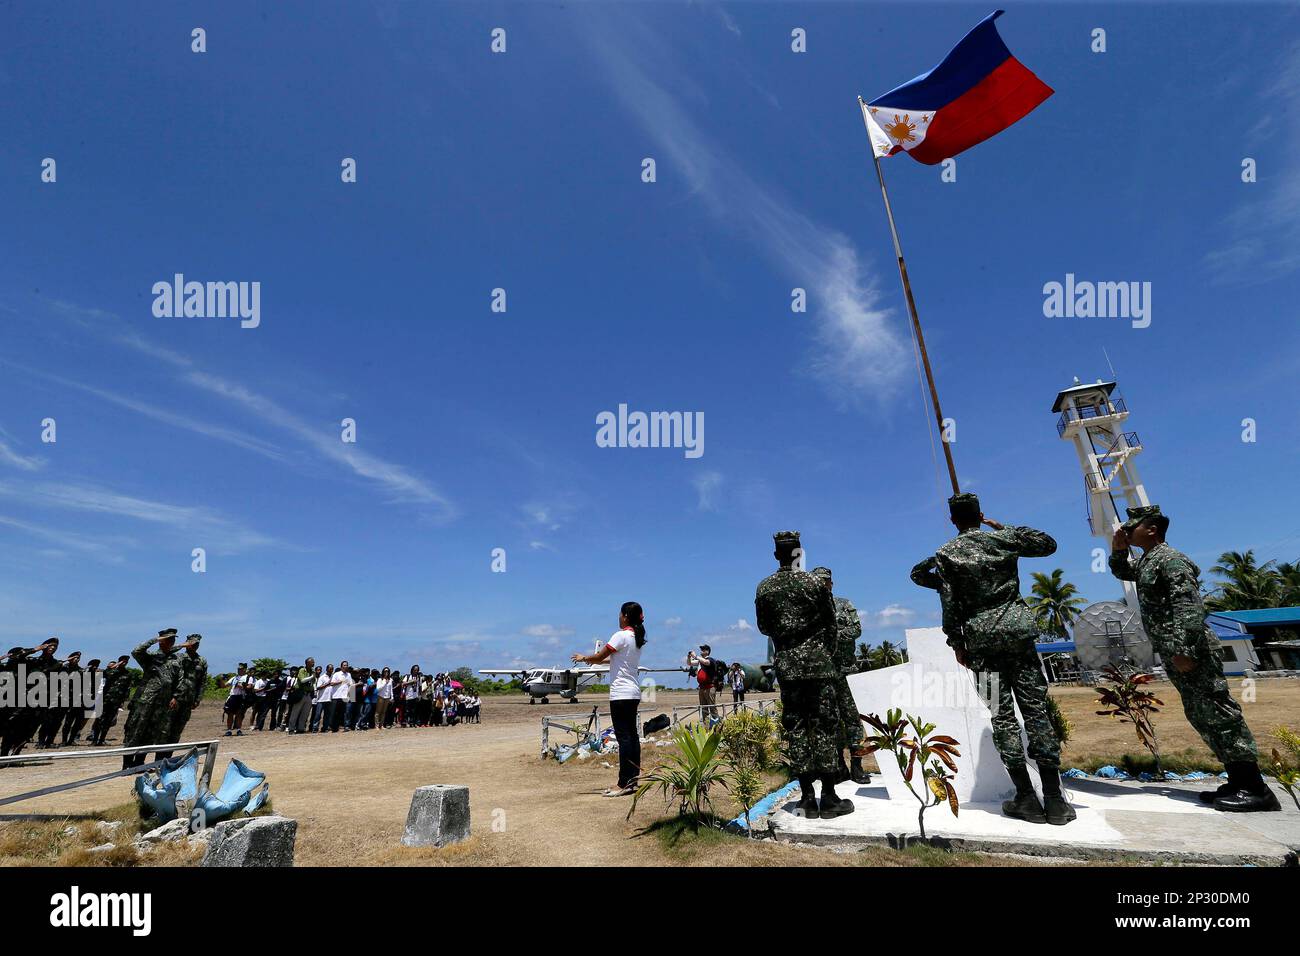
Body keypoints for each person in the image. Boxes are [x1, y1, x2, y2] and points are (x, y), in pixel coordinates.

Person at [910, 493, 1073, 826]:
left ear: (952, 520)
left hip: (981, 643)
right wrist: (1002, 526)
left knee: (1002, 716)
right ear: (980, 515)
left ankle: (1026, 797)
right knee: (1036, 713)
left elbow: (947, 601)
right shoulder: (1003, 540)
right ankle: (1055, 800)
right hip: (1017, 635)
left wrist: (956, 642)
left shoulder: (946, 554)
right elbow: (1047, 544)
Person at [1110, 505, 1279, 812]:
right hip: (1178, 651)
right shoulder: (1150, 561)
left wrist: (1184, 650)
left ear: (1152, 529)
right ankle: (1238, 782)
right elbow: (1125, 573)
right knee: (1203, 715)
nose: (1126, 530)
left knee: (1220, 713)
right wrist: (1117, 551)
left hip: (1192, 650)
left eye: (1131, 526)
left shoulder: (1170, 559)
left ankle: (1255, 788)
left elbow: (1188, 606)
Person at [756, 531, 854, 820]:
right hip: (818, 665)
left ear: (776, 554)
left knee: (797, 727)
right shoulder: (813, 582)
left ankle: (807, 798)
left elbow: (764, 627)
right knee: (824, 726)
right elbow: (831, 623)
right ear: (799, 552)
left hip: (787, 666)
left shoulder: (765, 588)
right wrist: (825, 652)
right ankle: (829, 796)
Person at [573, 600, 646, 797]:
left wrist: (584, 658)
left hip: (620, 694)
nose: (618, 617)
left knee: (624, 738)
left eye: (620, 614)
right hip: (633, 692)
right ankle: (633, 779)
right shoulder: (635, 638)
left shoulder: (620, 635)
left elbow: (599, 657)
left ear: (624, 616)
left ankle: (623, 783)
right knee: (632, 737)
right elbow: (613, 658)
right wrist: (593, 660)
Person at [811, 567, 870, 785]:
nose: (822, 585)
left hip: (846, 671)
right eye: (818, 582)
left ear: (831, 584)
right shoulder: (809, 611)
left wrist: (830, 635)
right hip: (824, 673)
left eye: (825, 581)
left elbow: (855, 630)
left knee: (852, 719)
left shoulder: (844, 605)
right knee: (830, 720)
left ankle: (857, 767)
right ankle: (839, 766)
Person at [122, 629, 184, 768]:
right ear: (162, 641)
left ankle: (139, 763)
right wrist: (155, 639)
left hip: (162, 705)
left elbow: (180, 679)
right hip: (145, 702)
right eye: (169, 639)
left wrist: (176, 697)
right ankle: (127, 764)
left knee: (150, 734)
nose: (172, 642)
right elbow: (136, 651)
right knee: (135, 731)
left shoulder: (176, 659)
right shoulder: (151, 657)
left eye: (173, 639)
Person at [160, 635, 205, 757]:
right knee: (165, 730)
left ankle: (167, 758)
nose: (195, 646)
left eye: (197, 644)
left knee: (177, 731)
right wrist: (180, 645)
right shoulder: (178, 657)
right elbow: (165, 652)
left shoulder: (201, 661)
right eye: (193, 644)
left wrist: (197, 699)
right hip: (174, 699)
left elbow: (201, 682)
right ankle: (159, 759)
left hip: (188, 700)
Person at [89, 655, 132, 745]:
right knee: (99, 720)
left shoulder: (127, 674)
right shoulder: (111, 671)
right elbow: (106, 673)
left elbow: (127, 688)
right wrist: (116, 665)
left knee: (108, 721)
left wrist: (122, 701)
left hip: (116, 701)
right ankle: (94, 740)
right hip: (105, 699)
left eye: (126, 662)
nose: (124, 663)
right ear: (119, 661)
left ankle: (101, 740)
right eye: (122, 661)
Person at [687, 645, 720, 721]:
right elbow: (689, 663)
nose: (701, 651)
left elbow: (706, 662)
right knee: (703, 708)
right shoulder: (699, 661)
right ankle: (706, 725)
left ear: (707, 651)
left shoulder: (711, 660)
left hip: (710, 687)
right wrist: (689, 657)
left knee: (712, 707)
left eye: (703, 650)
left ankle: (718, 723)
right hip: (702, 687)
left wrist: (695, 656)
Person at [286, 658, 315, 734]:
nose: (313, 663)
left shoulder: (312, 671)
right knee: (295, 712)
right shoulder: (302, 670)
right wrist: (312, 677)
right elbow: (302, 680)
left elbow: (313, 682)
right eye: (312, 662)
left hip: (308, 694)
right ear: (307, 663)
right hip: (300, 693)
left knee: (305, 713)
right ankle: (291, 729)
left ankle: (300, 728)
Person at [224, 663, 252, 736]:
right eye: (238, 669)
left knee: (239, 714)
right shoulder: (234, 678)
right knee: (230, 714)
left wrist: (241, 686)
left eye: (241, 669)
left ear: (245, 669)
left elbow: (249, 687)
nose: (239, 670)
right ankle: (229, 730)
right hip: (233, 696)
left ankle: (239, 729)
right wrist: (221, 679)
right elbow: (224, 685)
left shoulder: (248, 677)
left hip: (241, 696)